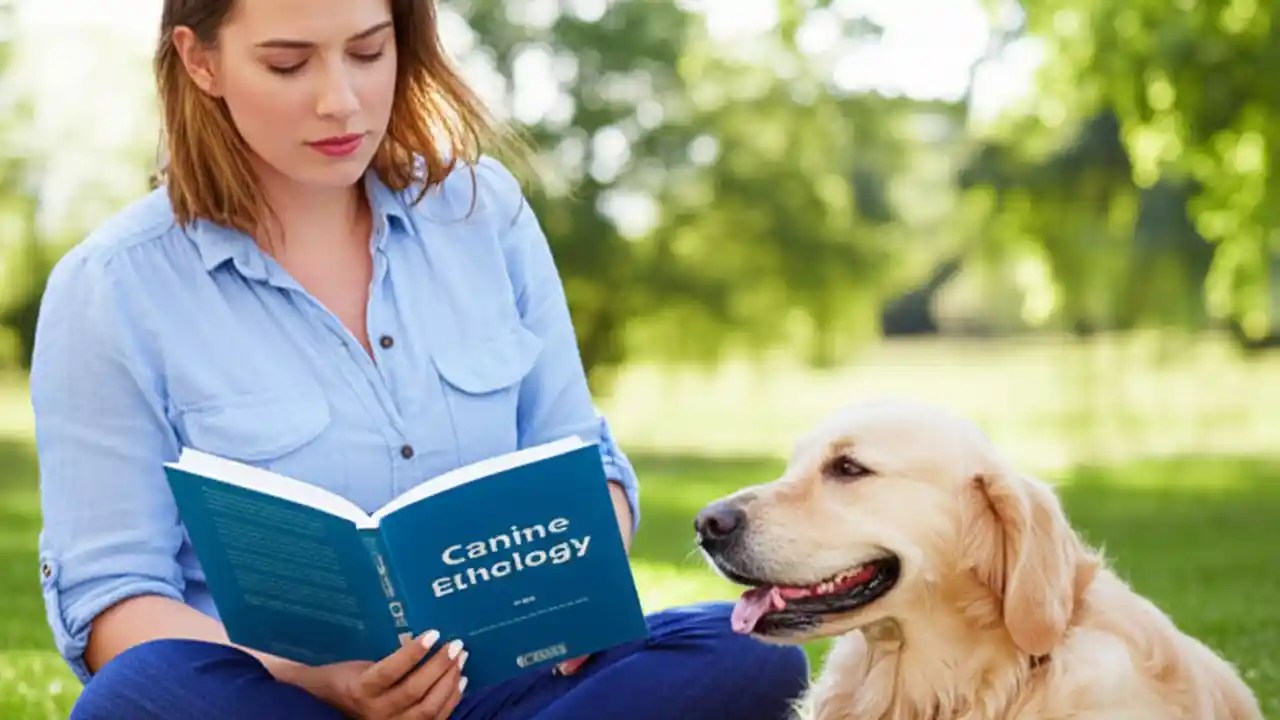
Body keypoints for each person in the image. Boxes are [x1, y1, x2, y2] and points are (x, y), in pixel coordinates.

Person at [29, 0, 809, 718]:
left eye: (368, 51)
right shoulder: (112, 288)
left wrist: (571, 592)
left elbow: (584, 462)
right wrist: (321, 677)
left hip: (511, 683)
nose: (341, 100)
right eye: (288, 64)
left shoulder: (483, 211)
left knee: (746, 654)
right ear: (201, 61)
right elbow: (114, 605)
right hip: (280, 697)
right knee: (139, 696)